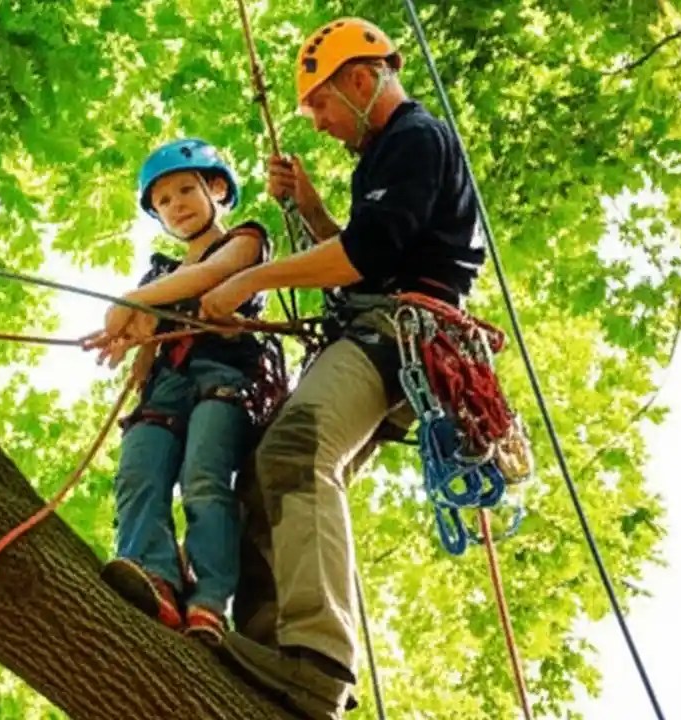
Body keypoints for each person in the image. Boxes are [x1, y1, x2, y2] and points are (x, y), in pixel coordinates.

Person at [197, 17, 485, 720]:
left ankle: (317, 660)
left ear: (361, 80)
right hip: (382, 331)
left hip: (399, 337)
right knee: (268, 470)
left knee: (298, 448)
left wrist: (242, 282)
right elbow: (365, 251)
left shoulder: (416, 136)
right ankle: (269, 648)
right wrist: (315, 211)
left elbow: (367, 258)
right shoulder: (382, 158)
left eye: (321, 104)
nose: (320, 123)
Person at [83, 138, 276, 647]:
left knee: (203, 479)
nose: (177, 205)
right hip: (165, 385)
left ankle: (210, 601)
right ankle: (156, 578)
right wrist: (128, 341)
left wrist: (128, 300)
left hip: (222, 374)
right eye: (163, 201)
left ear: (217, 189)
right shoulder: (159, 274)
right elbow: (147, 333)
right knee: (138, 474)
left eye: (187, 190)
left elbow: (212, 274)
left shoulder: (246, 239)